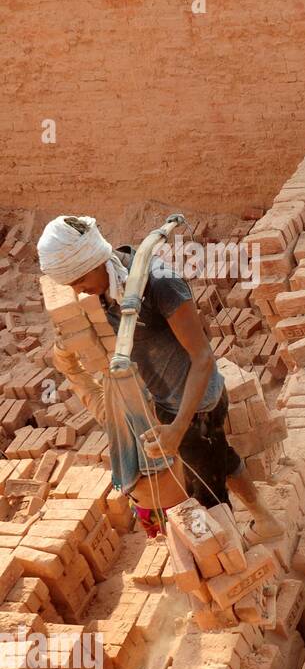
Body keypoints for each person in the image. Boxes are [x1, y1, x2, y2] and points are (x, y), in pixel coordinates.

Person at [37, 215, 283, 541]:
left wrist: (176, 430)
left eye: (79, 281)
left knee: (207, 496)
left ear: (95, 260)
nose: (78, 291)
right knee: (220, 457)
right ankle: (265, 520)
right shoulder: (104, 286)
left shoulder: (159, 283)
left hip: (198, 406)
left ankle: (232, 566)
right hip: (166, 401)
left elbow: (203, 357)